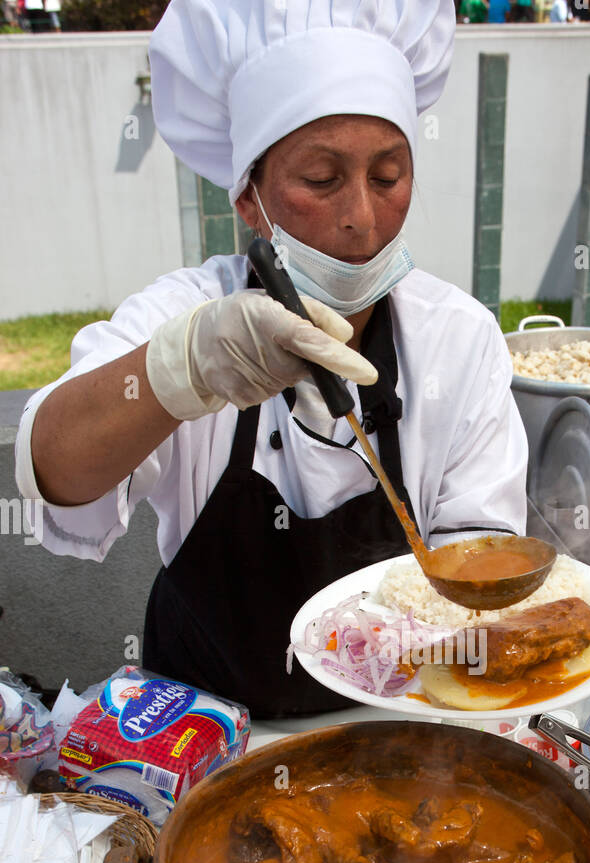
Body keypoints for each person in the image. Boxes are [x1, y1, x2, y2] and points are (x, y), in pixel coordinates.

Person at [15, 0, 528, 719]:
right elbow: (53, 469)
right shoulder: (182, 316)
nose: (363, 217)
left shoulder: (459, 339)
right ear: (249, 200)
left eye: (388, 174)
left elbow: (480, 559)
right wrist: (181, 370)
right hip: (201, 740)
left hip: (396, 730)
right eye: (320, 179)